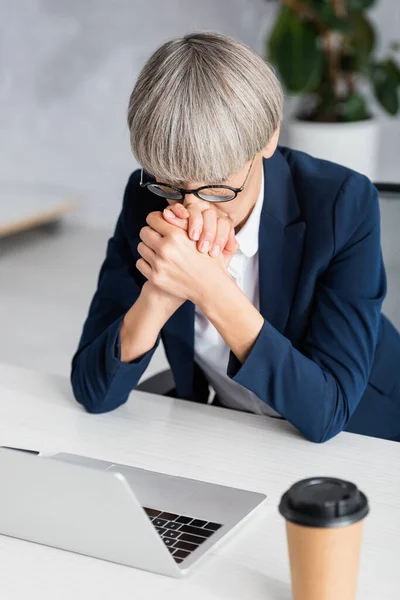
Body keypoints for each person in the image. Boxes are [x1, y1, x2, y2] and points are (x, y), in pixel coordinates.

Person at [71, 32, 400, 443]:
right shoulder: (146, 200)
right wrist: (160, 292)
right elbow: (93, 391)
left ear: (268, 139)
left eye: (216, 187)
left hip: (366, 435)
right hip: (236, 435)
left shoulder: (343, 204)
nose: (192, 209)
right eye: (171, 184)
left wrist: (211, 289)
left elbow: (327, 412)